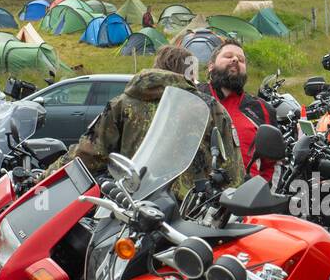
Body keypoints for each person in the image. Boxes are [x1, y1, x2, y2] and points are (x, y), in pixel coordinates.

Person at [52, 43, 243, 197]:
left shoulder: (122, 104)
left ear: (157, 67)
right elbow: (233, 172)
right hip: (191, 213)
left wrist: (45, 177)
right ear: (190, 73)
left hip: (134, 207)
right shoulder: (210, 107)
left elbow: (87, 156)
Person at [206, 40, 276, 182]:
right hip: (200, 197)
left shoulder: (263, 109)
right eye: (228, 56)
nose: (235, 59)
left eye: (241, 59)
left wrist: (261, 192)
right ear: (211, 66)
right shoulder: (195, 98)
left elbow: (272, 164)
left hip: (246, 198)